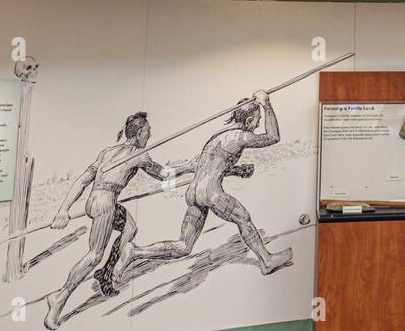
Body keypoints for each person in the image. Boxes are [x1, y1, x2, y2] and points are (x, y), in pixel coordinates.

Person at [113, 90, 293, 285]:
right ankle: (266, 261)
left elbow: (212, 168)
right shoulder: (240, 136)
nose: (257, 124)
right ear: (248, 119)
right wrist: (266, 105)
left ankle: (135, 252)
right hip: (212, 193)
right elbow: (273, 137)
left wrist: (236, 170)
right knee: (244, 218)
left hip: (194, 193)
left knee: (183, 246)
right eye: (257, 120)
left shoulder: (217, 138)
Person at [44, 112, 191, 330]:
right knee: (94, 256)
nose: (149, 136)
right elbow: (163, 174)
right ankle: (59, 297)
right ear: (139, 133)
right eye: (148, 132)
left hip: (96, 200)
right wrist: (190, 166)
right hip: (105, 204)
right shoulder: (139, 155)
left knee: (130, 228)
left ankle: (107, 272)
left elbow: (83, 181)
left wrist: (64, 209)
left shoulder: (108, 152)